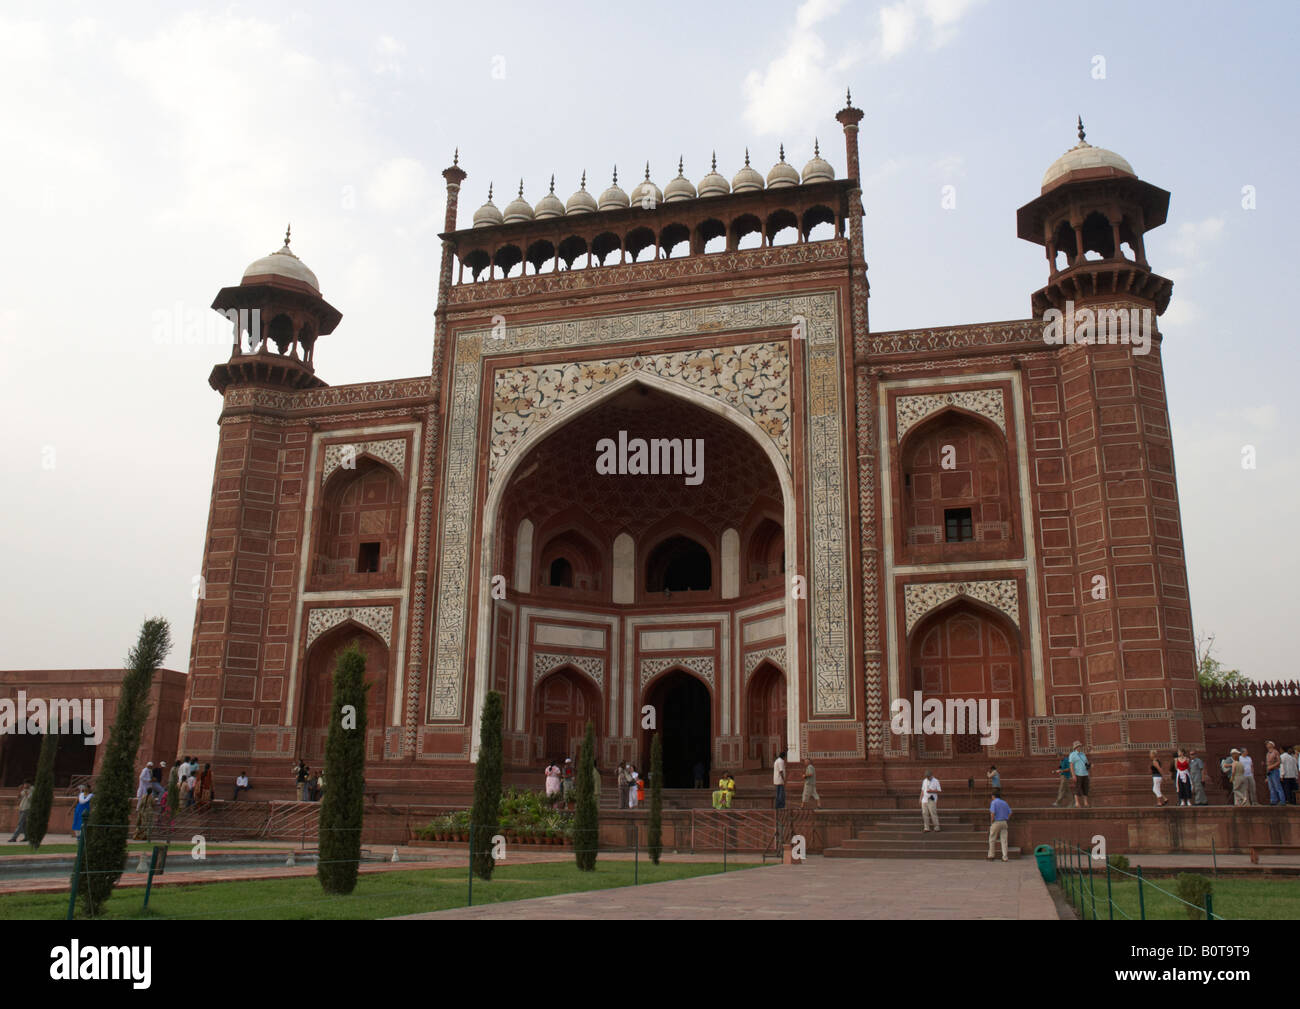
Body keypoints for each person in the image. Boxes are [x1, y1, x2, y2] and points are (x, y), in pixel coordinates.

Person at [988, 790, 1011, 862]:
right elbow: (1010, 812)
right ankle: (1005, 857)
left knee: (992, 839)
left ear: (993, 796)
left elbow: (992, 813)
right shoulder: (1004, 803)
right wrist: (1006, 818)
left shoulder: (994, 802)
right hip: (1004, 822)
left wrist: (991, 822)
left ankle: (991, 855)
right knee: (1004, 840)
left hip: (996, 822)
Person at [1068, 741, 1091, 808]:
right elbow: (1071, 765)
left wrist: (1089, 767)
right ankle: (1077, 803)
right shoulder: (1072, 754)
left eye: (1080, 746)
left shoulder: (1083, 754)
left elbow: (1086, 763)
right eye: (1078, 746)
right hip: (1078, 773)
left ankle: (1085, 802)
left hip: (1085, 773)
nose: (1079, 747)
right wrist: (1073, 775)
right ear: (1075, 747)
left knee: (1085, 788)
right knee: (1077, 788)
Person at [1265, 741, 1284, 805]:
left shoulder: (1275, 752)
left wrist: (1272, 766)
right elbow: (1267, 764)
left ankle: (1282, 801)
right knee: (1271, 787)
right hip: (1269, 771)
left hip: (1275, 770)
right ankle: (1273, 800)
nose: (1267, 745)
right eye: (1267, 744)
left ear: (1272, 745)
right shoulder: (1267, 753)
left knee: (1277, 786)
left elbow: (1279, 761)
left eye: (1269, 744)